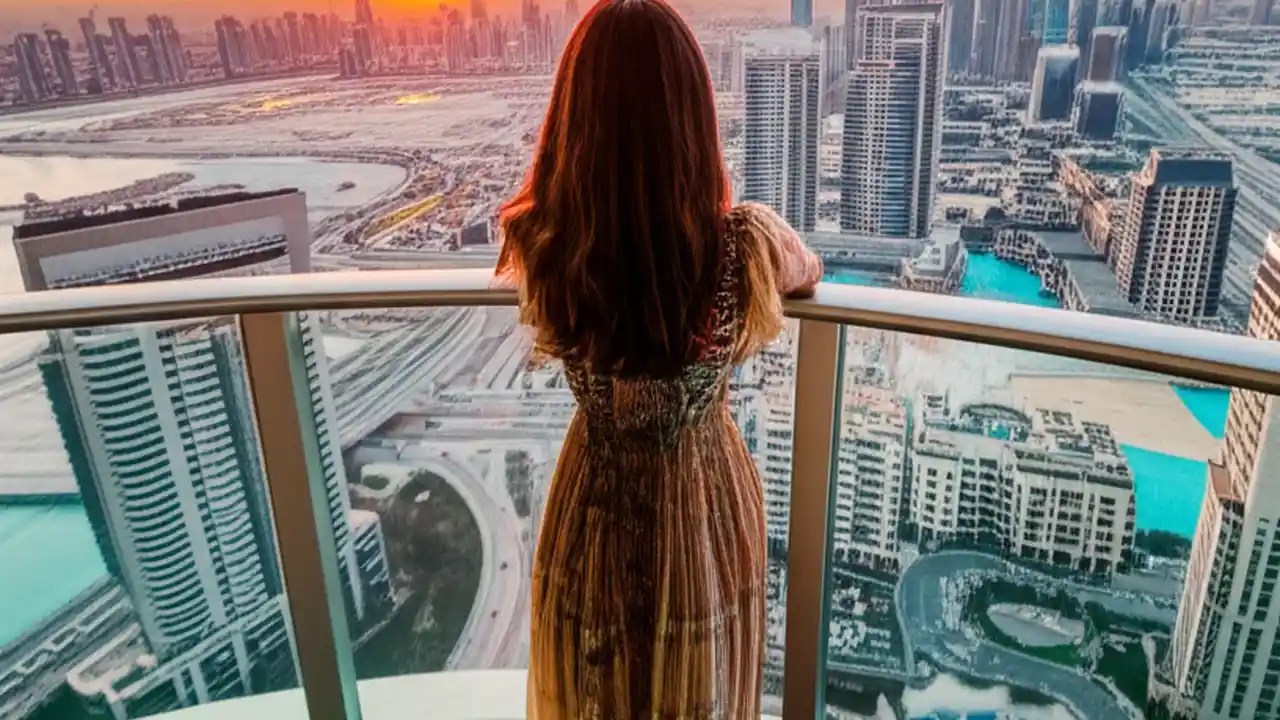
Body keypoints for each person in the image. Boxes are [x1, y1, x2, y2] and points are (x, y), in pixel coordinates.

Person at [496, 0, 822, 716]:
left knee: (590, 691)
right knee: (700, 689)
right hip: (701, 508)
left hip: (592, 504)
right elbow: (807, 269)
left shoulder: (549, 243)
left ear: (574, 121)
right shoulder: (738, 247)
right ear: (692, 122)